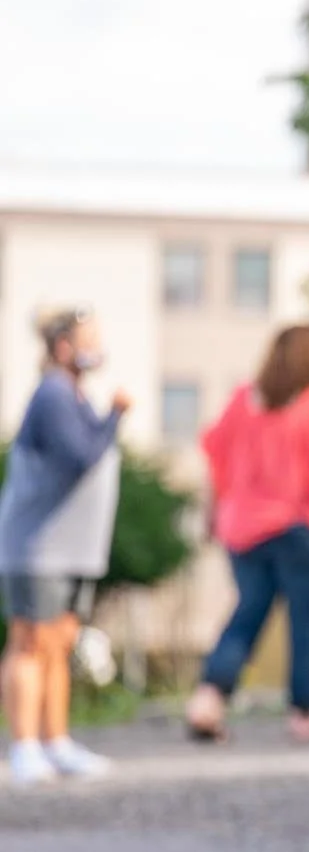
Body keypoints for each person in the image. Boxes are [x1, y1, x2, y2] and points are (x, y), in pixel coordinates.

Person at [184, 324, 309, 744]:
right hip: (306, 527)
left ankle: (209, 697)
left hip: (243, 529)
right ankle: (306, 711)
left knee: (247, 615)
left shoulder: (243, 399)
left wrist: (212, 514)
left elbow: (214, 457)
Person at [0, 308, 129, 785]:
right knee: (31, 642)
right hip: (39, 547)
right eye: (88, 337)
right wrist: (115, 414)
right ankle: (25, 746)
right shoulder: (53, 393)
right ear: (62, 347)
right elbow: (80, 456)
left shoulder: (74, 395)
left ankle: (56, 742)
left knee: (59, 645)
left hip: (73, 547)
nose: (97, 346)